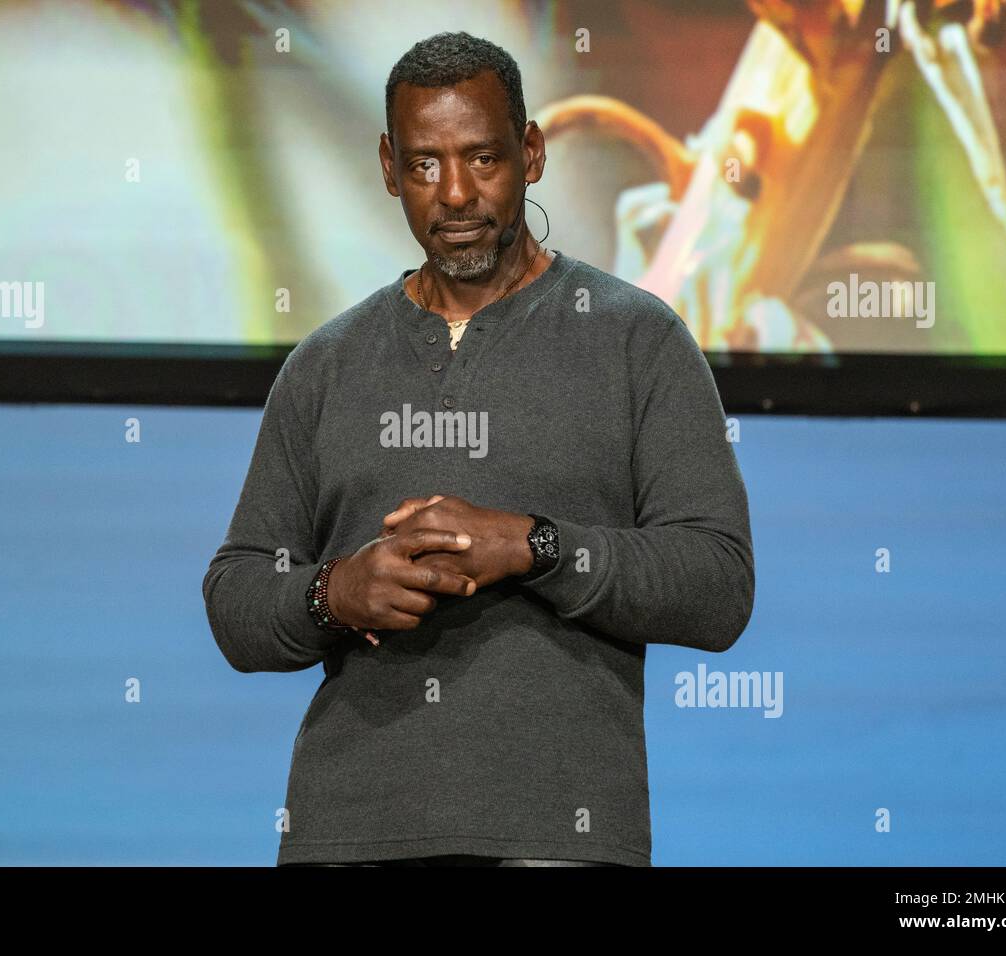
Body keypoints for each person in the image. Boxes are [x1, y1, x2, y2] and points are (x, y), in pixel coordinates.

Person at [202, 31, 755, 868]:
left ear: (531, 154)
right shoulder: (326, 363)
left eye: (483, 158)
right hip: (347, 837)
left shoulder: (637, 340)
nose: (454, 193)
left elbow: (718, 586)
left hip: (558, 839)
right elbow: (237, 598)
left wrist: (534, 546)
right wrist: (336, 593)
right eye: (424, 165)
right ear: (389, 168)